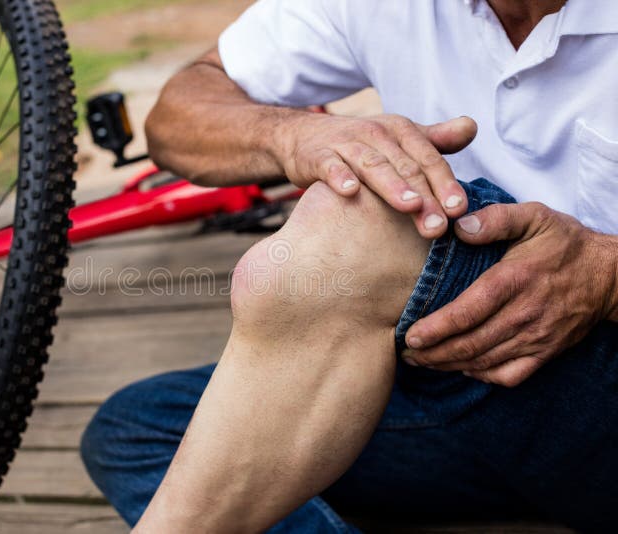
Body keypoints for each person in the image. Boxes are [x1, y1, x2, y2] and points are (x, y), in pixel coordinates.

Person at [81, 1, 618, 532]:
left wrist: (604, 274)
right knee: (138, 431)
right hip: (471, 380)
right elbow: (178, 114)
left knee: (366, 224)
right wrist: (295, 134)